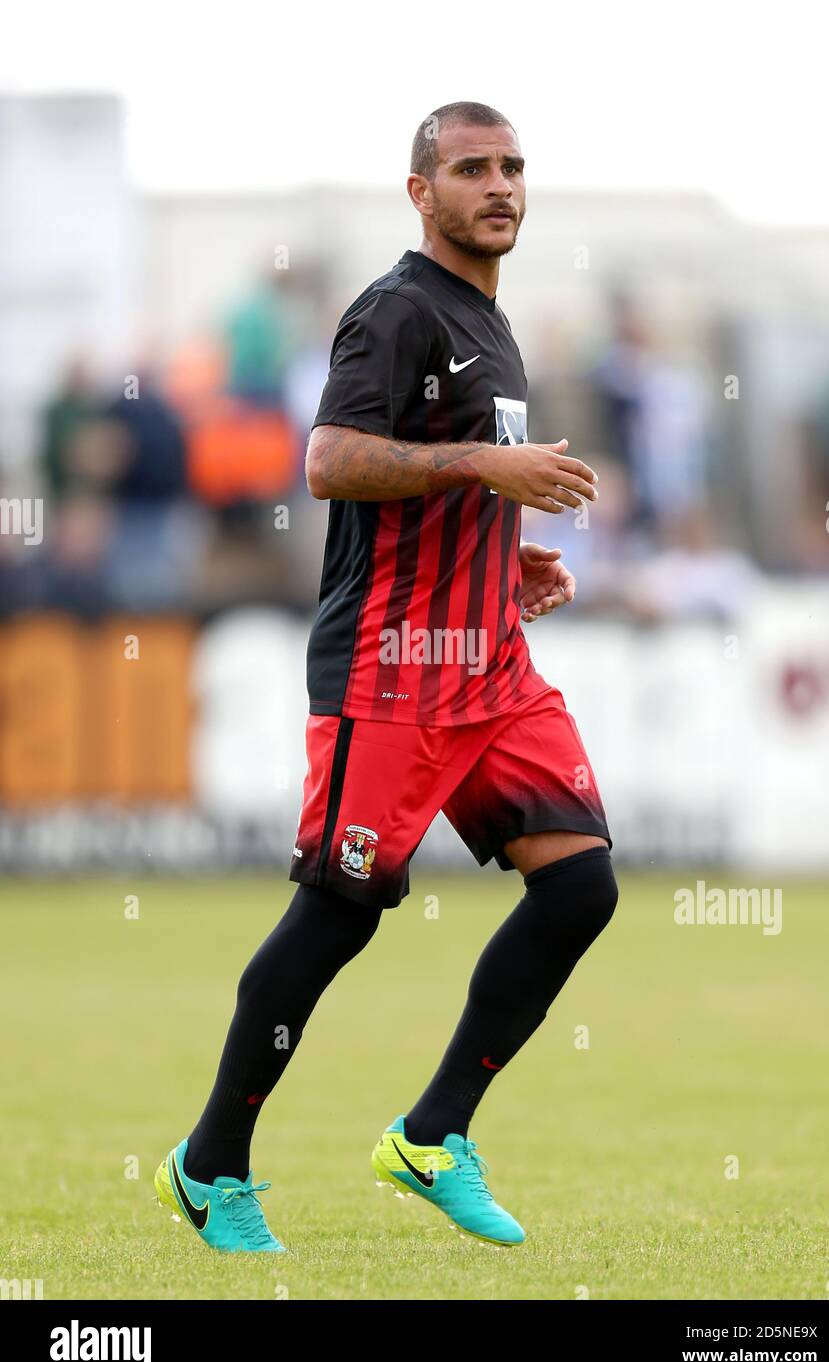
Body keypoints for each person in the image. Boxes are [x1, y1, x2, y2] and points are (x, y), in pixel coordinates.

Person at [155, 101, 619, 1252]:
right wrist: (486, 463)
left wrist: (503, 557)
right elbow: (329, 461)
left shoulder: (493, 325)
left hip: (488, 665)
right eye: (471, 168)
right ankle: (209, 1164)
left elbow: (445, 483)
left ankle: (431, 1135)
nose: (499, 185)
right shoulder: (396, 310)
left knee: (581, 886)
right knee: (338, 916)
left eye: (513, 166)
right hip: (391, 669)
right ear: (422, 191)